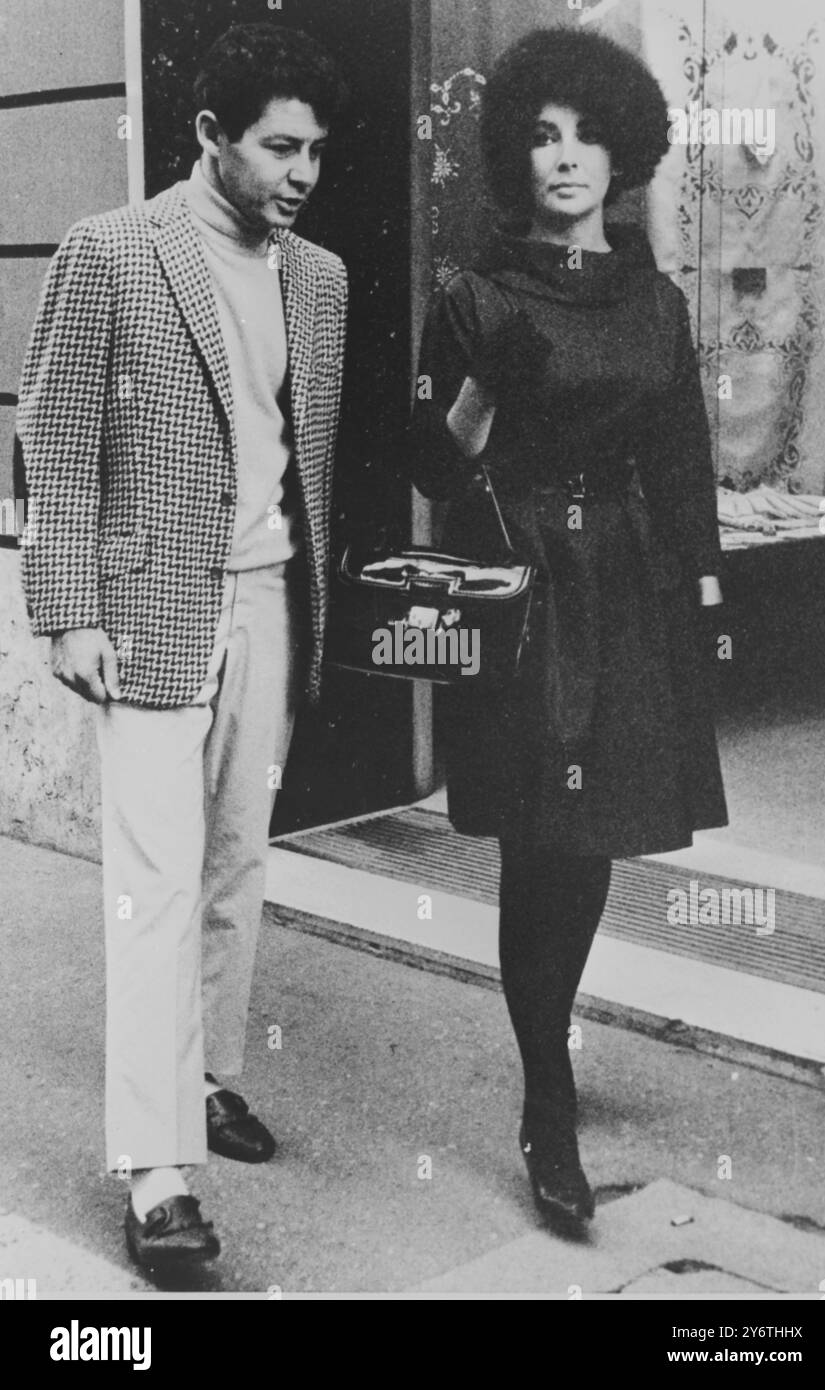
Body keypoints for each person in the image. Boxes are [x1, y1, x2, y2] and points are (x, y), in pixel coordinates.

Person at [16, 22, 348, 1270]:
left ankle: (205, 1076)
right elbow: (51, 442)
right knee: (151, 884)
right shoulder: (112, 252)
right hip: (149, 610)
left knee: (235, 864)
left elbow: (296, 460)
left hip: (268, 603)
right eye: (278, 146)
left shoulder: (320, 280)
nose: (302, 170)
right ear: (211, 136)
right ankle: (157, 1174)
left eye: (315, 148)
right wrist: (69, 608)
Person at [410, 26, 727, 1232]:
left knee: (587, 843)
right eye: (542, 135)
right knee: (535, 840)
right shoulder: (474, 295)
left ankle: (553, 1053)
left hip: (627, 590)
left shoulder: (656, 300)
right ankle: (548, 1096)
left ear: (624, 151)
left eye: (588, 134)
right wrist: (483, 380)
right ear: (515, 154)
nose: (566, 157)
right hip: (523, 587)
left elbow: (683, 458)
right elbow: (431, 468)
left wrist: (702, 597)